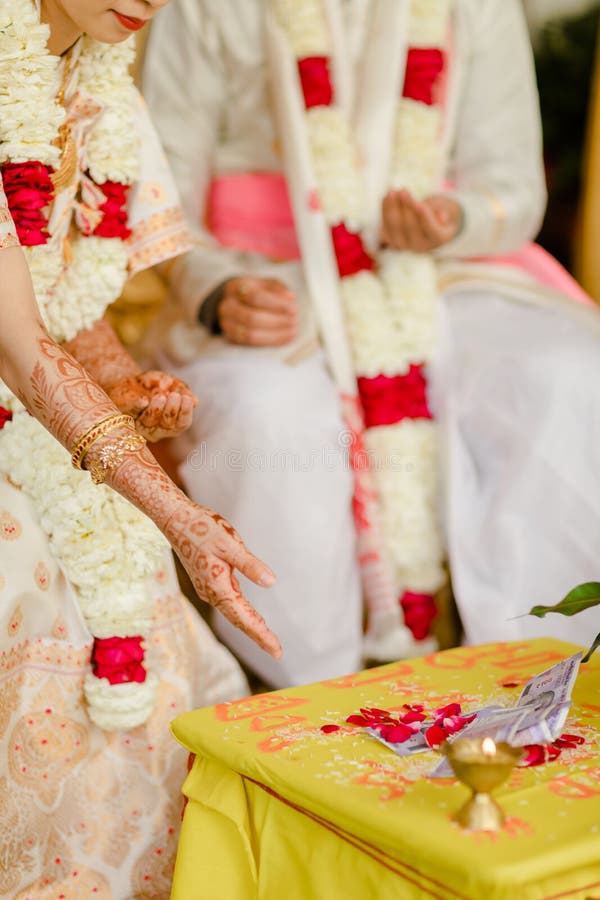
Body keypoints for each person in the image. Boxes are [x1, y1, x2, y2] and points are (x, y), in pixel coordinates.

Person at [143, 0, 600, 688]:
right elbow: (160, 194)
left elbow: (511, 190)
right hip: (266, 276)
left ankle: (542, 687)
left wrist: (453, 218)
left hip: (440, 269)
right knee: (270, 414)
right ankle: (307, 707)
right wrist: (218, 290)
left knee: (563, 375)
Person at [0, 1, 283, 896]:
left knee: (150, 610)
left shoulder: (99, 82)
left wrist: (121, 383)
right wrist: (181, 515)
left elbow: (64, 316)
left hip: (35, 415)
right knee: (25, 590)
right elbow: (18, 341)